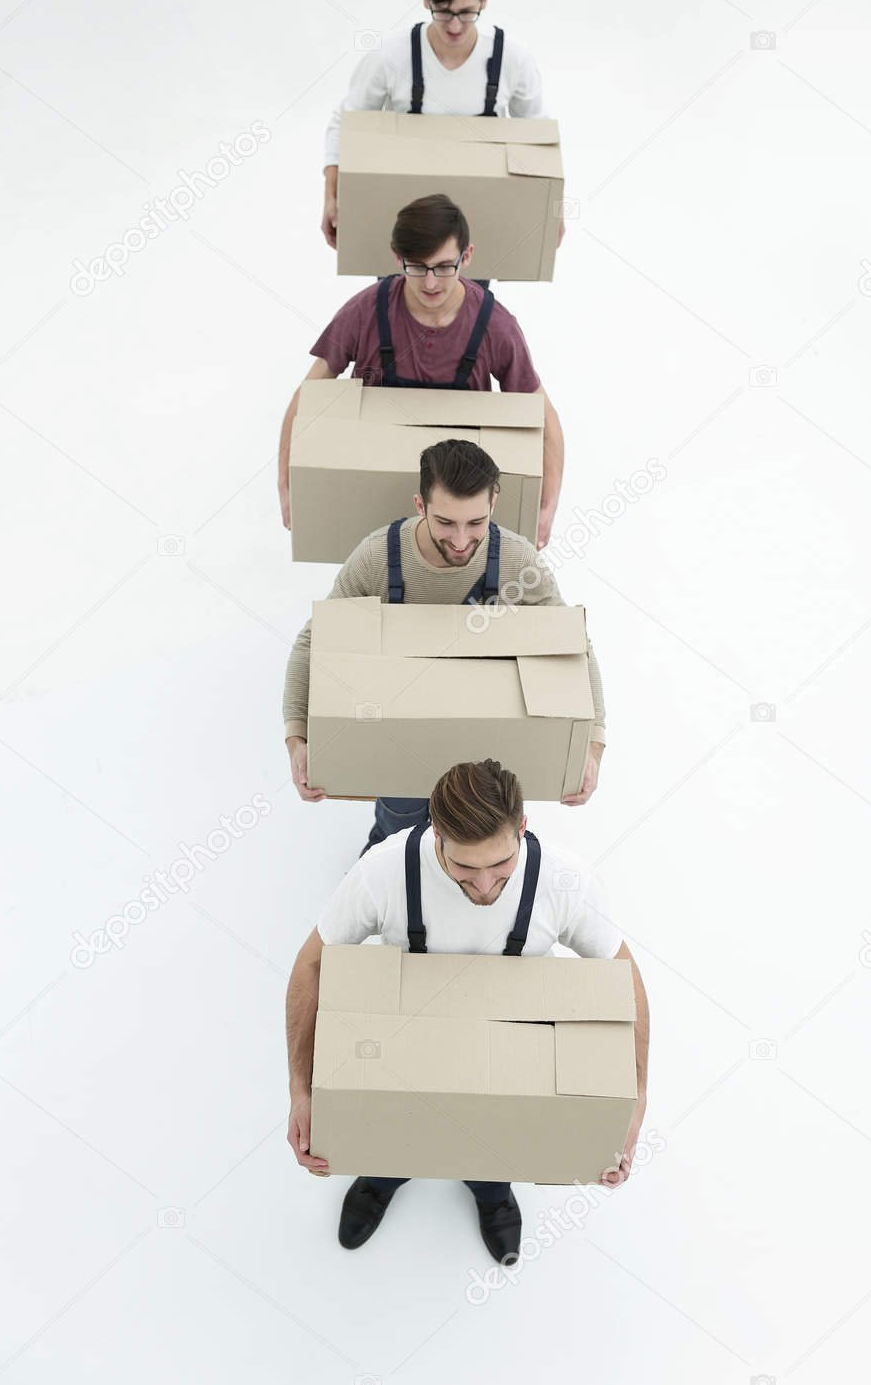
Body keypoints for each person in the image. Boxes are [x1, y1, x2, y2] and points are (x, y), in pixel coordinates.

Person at [285, 760, 649, 1264]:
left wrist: (636, 1098)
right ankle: (381, 1176)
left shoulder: (566, 881)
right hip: (404, 1043)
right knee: (393, 1134)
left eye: (501, 868)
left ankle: (492, 1193)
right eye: (464, 869)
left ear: (522, 828)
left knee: (490, 1143)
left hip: (507, 1051)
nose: (483, 887)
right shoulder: (384, 871)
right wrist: (300, 1088)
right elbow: (309, 966)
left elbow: (625, 980)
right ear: (436, 835)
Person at [283, 437, 607, 851]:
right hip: (398, 742)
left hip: (489, 743)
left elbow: (572, 646)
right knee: (396, 838)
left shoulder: (517, 562)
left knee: (477, 845)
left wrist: (591, 748)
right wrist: (299, 740)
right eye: (445, 522)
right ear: (421, 506)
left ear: (494, 503)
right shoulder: (378, 557)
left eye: (475, 523)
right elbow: (315, 640)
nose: (459, 540)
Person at [278, 193, 564, 545]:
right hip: (370, 489)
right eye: (417, 266)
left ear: (467, 256)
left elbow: (545, 420)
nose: (430, 283)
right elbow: (306, 400)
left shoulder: (495, 326)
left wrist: (547, 509)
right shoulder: (365, 311)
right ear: (398, 259)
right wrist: (287, 485)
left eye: (445, 267)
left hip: (456, 508)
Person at [321, 0, 565, 256]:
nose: (454, 26)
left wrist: (553, 206)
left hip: (476, 229)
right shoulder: (391, 56)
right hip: (401, 227)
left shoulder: (513, 59)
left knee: (470, 305)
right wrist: (331, 195)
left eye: (466, 13)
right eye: (443, 11)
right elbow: (345, 123)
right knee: (392, 302)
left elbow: (538, 137)